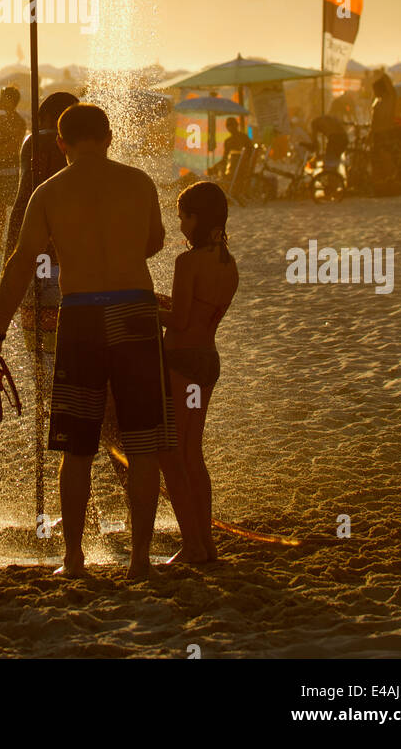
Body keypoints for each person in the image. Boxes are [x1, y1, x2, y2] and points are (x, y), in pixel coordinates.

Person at [0, 103, 175, 579]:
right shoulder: (140, 182)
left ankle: (74, 560)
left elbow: (21, 263)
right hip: (135, 312)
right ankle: (142, 562)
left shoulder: (49, 192)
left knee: (77, 446)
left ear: (60, 144)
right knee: (143, 444)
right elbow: (154, 241)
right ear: (108, 137)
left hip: (81, 314)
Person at [156, 182, 238, 562]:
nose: (181, 227)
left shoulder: (186, 262)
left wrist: (143, 308)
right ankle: (205, 542)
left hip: (182, 364)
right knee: (193, 454)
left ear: (197, 218)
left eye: (183, 218)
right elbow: (199, 311)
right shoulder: (226, 261)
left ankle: (192, 544)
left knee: (173, 455)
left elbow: (181, 319)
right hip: (207, 360)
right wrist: (165, 303)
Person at [0, 86, 26, 252]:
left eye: (2, 97)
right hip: (4, 165)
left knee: (9, 206)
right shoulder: (7, 121)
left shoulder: (14, 121)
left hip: (9, 166)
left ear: (10, 100)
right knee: (1, 206)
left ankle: (6, 241)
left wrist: (1, 141)